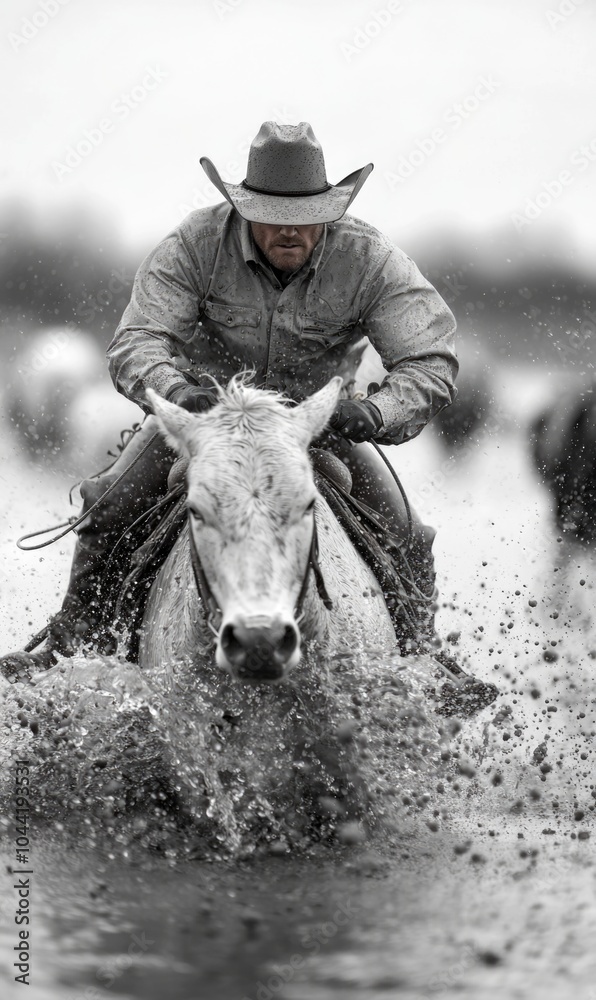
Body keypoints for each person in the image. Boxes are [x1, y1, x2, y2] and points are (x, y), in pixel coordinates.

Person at [1, 121, 461, 680]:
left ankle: (426, 668)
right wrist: (177, 392)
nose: (289, 232)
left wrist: (374, 412)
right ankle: (73, 654)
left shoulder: (369, 260)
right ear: (244, 208)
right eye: (273, 218)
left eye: (305, 219)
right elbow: (137, 340)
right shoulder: (195, 245)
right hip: (205, 423)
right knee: (107, 505)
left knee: (409, 534)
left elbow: (430, 358)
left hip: (315, 428)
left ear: (329, 210)